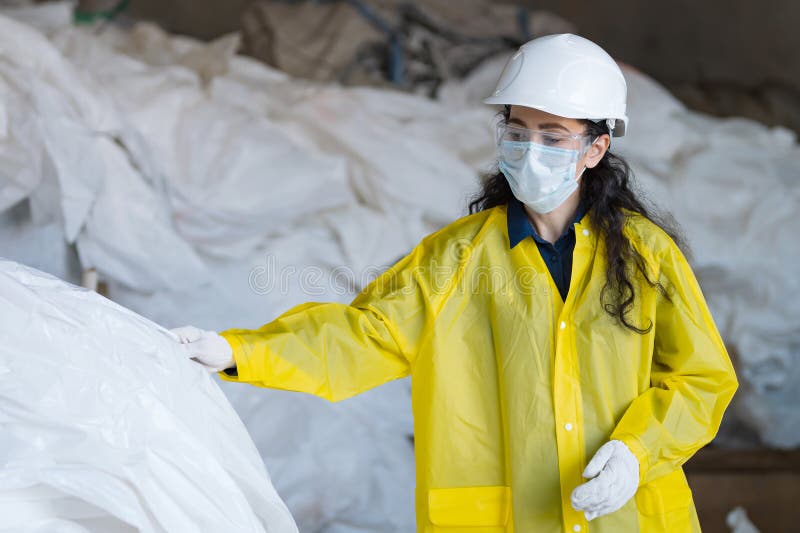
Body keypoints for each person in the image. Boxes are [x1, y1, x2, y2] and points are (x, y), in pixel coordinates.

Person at [173, 33, 738, 532]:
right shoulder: (458, 257)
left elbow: (701, 379)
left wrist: (637, 452)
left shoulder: (646, 254)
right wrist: (236, 350)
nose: (530, 149)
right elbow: (363, 336)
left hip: (628, 521)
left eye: (553, 135)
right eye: (518, 131)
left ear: (595, 148)